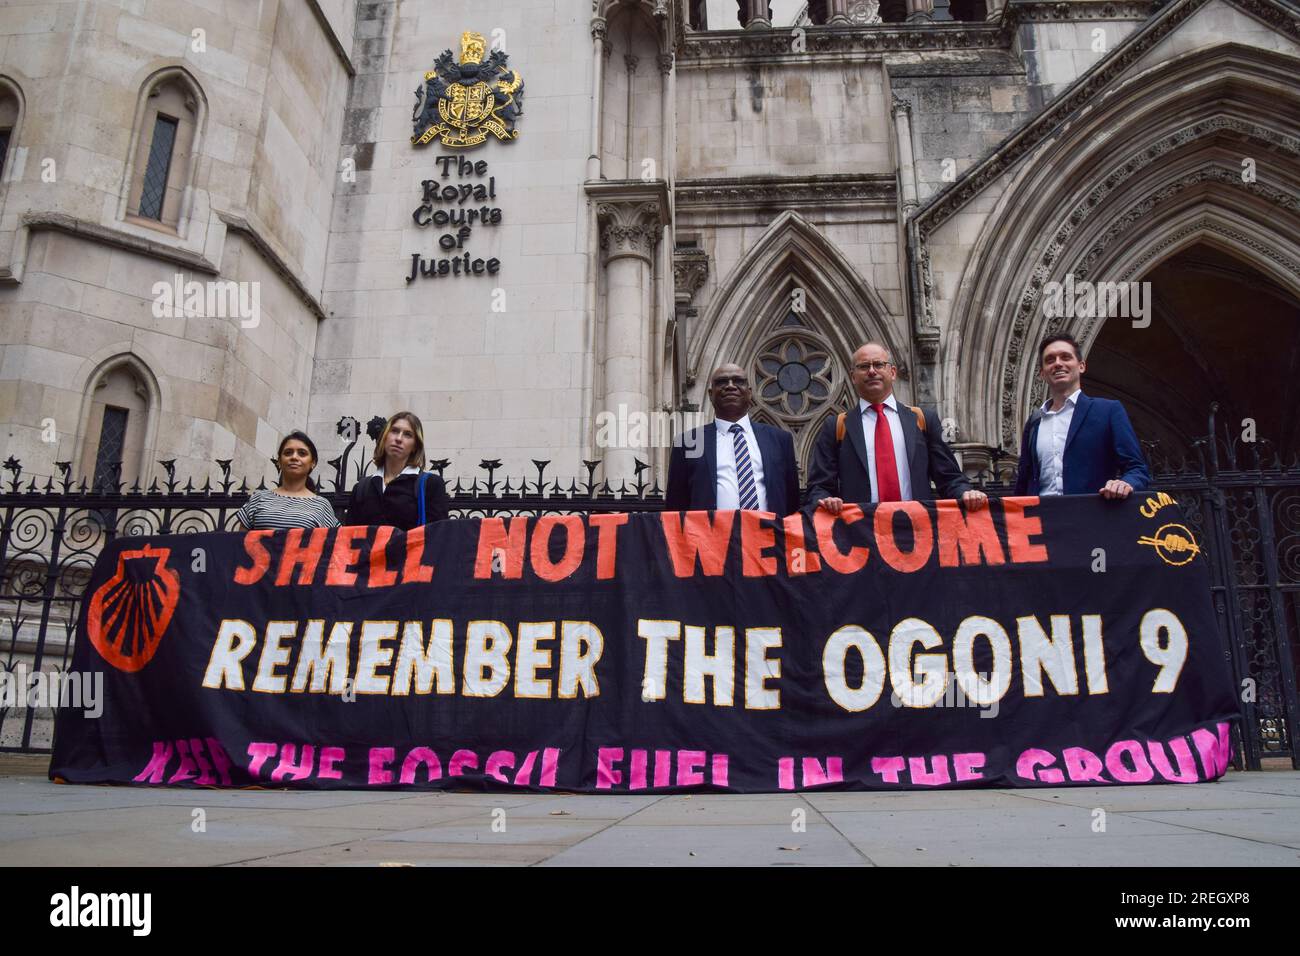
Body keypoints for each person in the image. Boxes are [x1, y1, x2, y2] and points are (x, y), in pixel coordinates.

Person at [807, 343, 987, 513]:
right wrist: (826, 500)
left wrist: (965, 493)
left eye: (879, 364)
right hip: (861, 532)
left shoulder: (922, 420)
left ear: (892, 372)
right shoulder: (837, 426)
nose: (871, 371)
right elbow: (819, 486)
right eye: (863, 366)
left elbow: (948, 477)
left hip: (916, 528)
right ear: (853, 376)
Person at [1013, 333, 1151, 499]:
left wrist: (1125, 483)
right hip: (1044, 519)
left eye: (1065, 357)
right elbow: (1023, 483)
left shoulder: (1108, 411)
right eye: (1050, 360)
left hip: (1092, 517)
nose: (1058, 363)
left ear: (1081, 366)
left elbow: (1137, 468)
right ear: (1042, 373)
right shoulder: (1035, 422)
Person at [665, 363, 801, 517]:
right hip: (709, 538)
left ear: (749, 393)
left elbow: (792, 502)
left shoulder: (780, 440)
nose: (730, 386)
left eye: (738, 381)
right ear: (710, 394)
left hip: (770, 536)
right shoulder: (688, 442)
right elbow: (675, 509)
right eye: (722, 382)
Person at [345, 410, 449, 528]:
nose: (399, 439)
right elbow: (350, 538)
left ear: (415, 446)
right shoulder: (362, 488)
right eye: (394, 431)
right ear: (384, 437)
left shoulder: (431, 484)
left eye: (408, 434)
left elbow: (437, 536)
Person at [235, 431, 340, 531]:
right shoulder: (258, 499)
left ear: (313, 463)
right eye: (288, 453)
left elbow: (333, 544)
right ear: (279, 461)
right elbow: (239, 544)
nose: (294, 457)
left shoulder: (322, 505)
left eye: (302, 453)